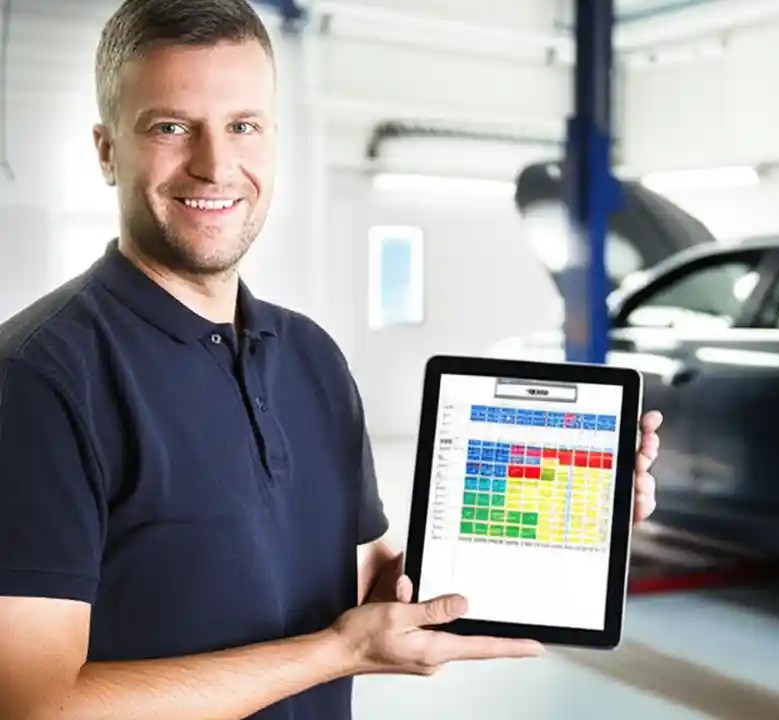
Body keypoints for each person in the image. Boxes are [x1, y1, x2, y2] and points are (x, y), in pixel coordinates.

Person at [0, 0, 663, 718]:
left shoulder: (310, 356)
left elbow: (364, 591)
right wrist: (338, 653)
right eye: (170, 127)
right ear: (105, 150)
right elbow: (34, 705)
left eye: (243, 126)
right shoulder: (39, 379)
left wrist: (558, 524)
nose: (215, 164)